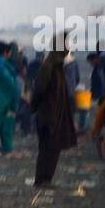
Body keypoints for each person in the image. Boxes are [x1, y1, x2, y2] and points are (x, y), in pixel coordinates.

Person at [31, 39, 78, 187]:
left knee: (53, 148)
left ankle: (46, 178)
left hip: (55, 115)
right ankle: (42, 179)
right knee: (47, 148)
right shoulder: (49, 67)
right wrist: (35, 108)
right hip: (48, 115)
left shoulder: (57, 68)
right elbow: (39, 90)